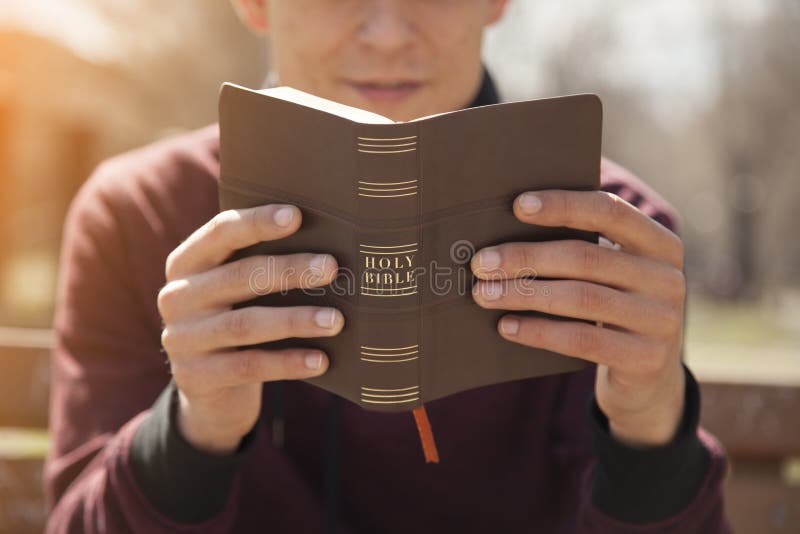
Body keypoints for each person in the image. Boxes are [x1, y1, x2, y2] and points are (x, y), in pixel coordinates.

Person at [43, 1, 731, 532]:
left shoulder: (606, 238)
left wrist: (650, 429)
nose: (388, 31)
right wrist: (192, 430)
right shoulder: (143, 216)